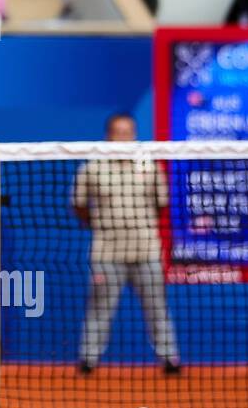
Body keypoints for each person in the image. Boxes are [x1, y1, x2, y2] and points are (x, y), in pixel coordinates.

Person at [72, 113, 180, 375]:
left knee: (157, 306)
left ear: (134, 134)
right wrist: (98, 224)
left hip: (146, 250)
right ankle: (88, 359)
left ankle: (169, 359)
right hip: (106, 252)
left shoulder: (149, 165)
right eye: (118, 132)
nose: (123, 137)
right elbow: (79, 204)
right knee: (99, 308)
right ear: (109, 135)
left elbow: (162, 203)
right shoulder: (93, 167)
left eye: (128, 132)